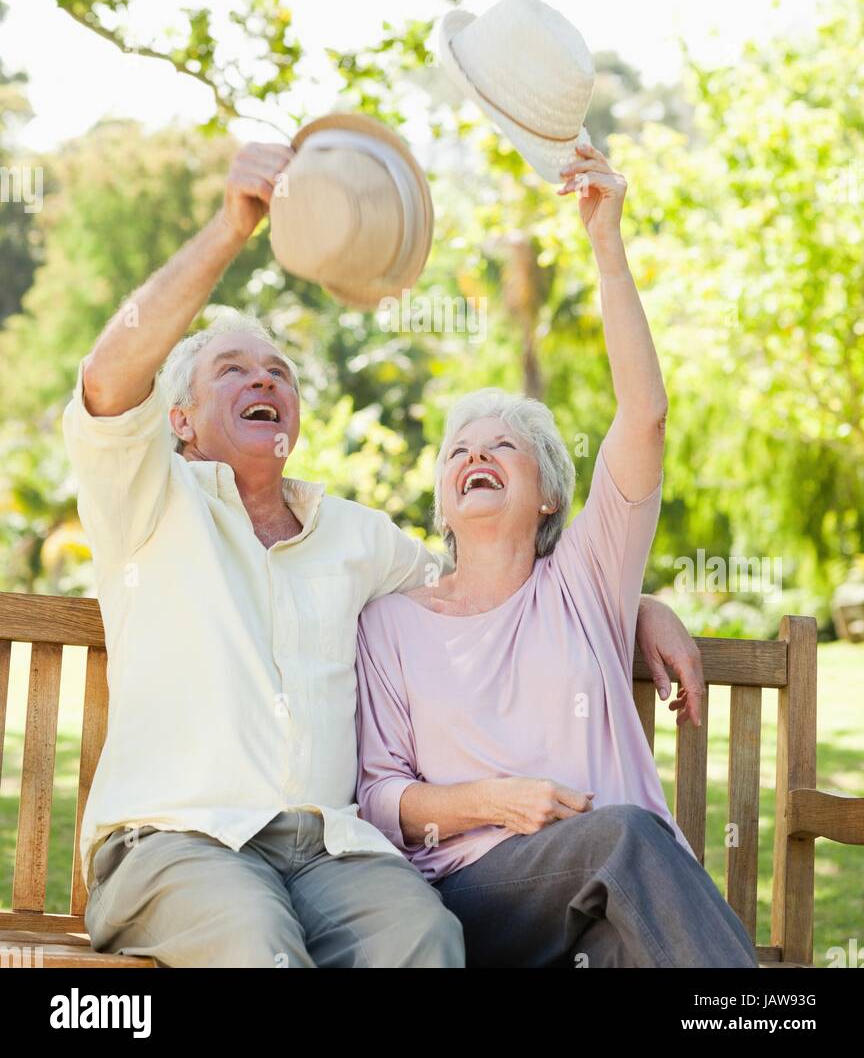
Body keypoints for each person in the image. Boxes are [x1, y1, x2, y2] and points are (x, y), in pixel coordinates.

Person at [65, 138, 704, 968]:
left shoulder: (360, 540)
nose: (263, 381)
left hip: (329, 854)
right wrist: (230, 231)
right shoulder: (146, 500)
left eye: (280, 372)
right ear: (178, 418)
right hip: (181, 839)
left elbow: (486, 583)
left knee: (424, 937)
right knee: (256, 943)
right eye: (232, 370)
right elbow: (109, 379)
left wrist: (635, 605)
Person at [355, 138, 759, 969]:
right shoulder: (391, 624)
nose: (477, 456)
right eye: (460, 450)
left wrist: (606, 244)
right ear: (442, 500)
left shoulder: (583, 583)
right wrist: (492, 803)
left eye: (506, 445)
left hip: (616, 903)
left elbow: (642, 415)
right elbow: (381, 796)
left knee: (618, 947)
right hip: (479, 899)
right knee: (623, 838)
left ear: (549, 495)